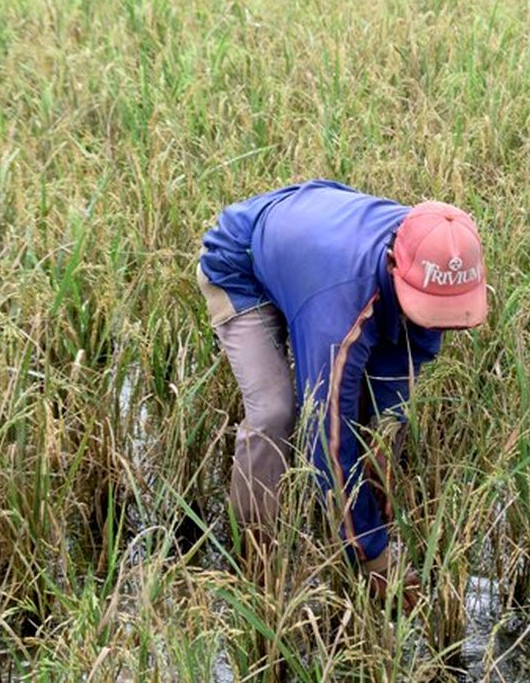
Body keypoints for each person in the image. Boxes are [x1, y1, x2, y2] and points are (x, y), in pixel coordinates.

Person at [196, 179, 487, 606]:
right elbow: (326, 436)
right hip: (240, 263)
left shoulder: (435, 251)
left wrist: (379, 462)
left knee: (378, 420)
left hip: (309, 245)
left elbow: (393, 390)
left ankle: (349, 521)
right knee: (277, 412)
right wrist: (373, 558)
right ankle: (252, 557)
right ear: (392, 265)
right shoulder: (339, 310)